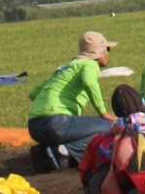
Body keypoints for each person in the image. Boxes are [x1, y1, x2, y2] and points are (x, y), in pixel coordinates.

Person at [27, 30, 118, 170]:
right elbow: (89, 82)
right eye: (108, 49)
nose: (109, 53)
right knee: (111, 127)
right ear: (99, 52)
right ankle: (63, 152)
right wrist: (103, 112)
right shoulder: (89, 64)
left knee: (82, 127)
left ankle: (47, 149)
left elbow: (33, 93)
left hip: (34, 126)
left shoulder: (65, 68)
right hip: (56, 123)